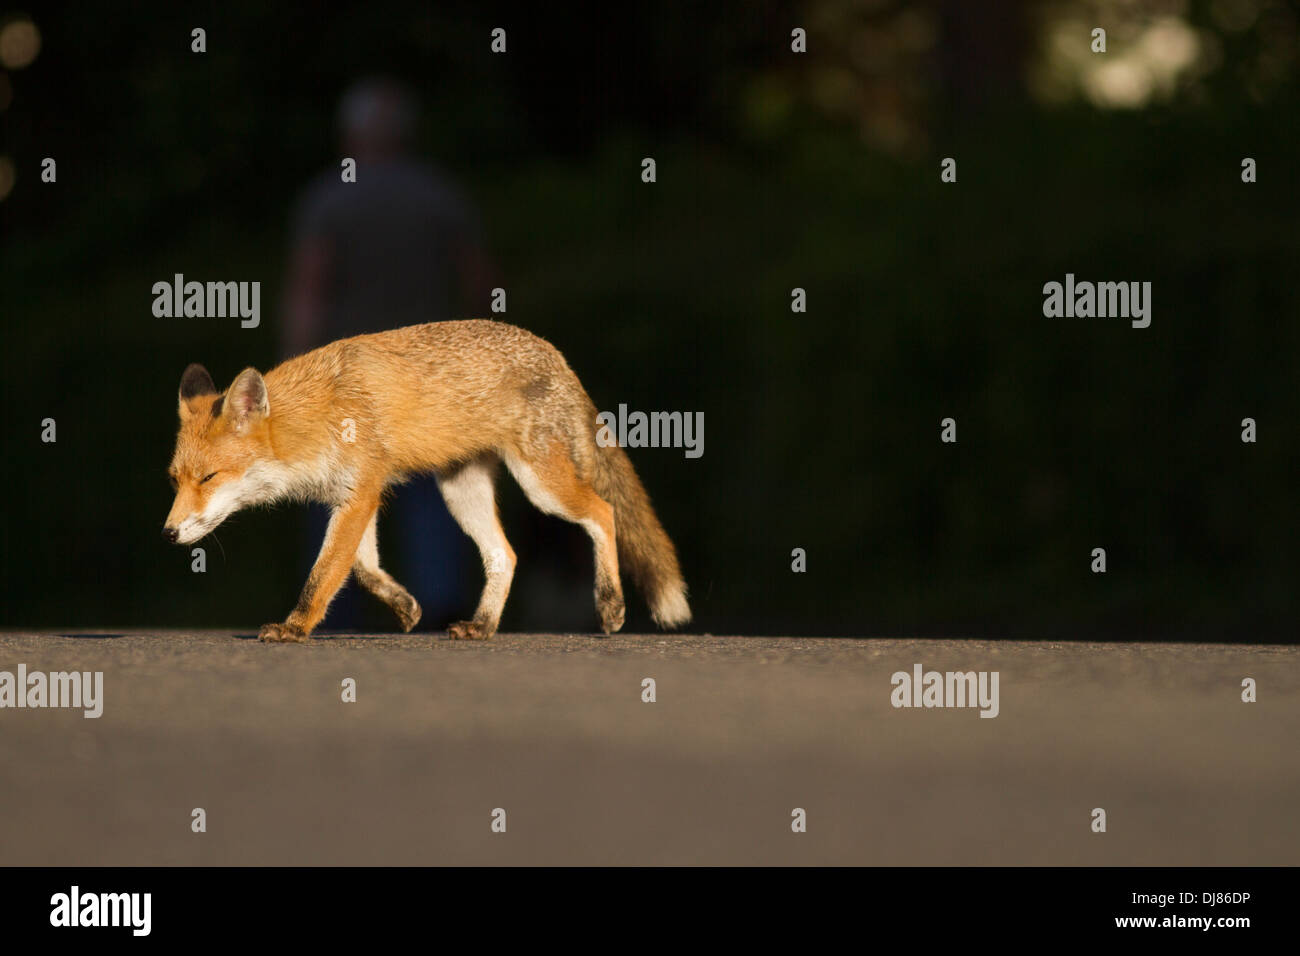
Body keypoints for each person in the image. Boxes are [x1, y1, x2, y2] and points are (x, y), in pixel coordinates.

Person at [281, 76, 495, 630]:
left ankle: (331, 607)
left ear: (349, 135)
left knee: (336, 487)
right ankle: (441, 600)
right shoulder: (439, 195)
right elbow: (479, 285)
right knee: (434, 489)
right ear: (405, 135)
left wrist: (288, 374)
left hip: (345, 382)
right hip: (428, 376)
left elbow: (310, 290)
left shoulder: (329, 197)